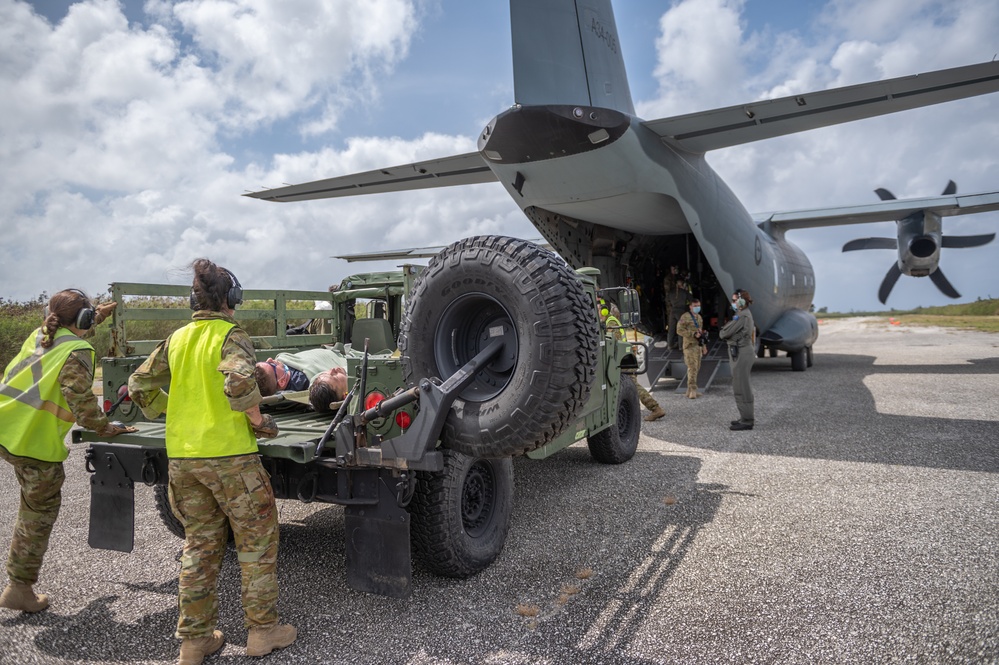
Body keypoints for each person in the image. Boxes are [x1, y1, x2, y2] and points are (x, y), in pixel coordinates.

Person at [127, 259, 296, 665]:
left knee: (200, 547)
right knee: (256, 543)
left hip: (185, 459)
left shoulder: (177, 338)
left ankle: (195, 642)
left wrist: (172, 413)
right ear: (231, 299)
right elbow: (238, 379)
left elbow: (137, 385)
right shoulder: (230, 334)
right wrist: (259, 421)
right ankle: (261, 632)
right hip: (231, 459)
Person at [0, 290, 133, 613]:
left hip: (8, 428)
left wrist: (96, 316)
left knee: (30, 506)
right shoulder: (78, 350)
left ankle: (19, 582)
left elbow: (67, 334)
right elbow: (82, 403)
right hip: (34, 442)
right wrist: (107, 428)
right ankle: (19, 587)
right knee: (36, 515)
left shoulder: (41, 334)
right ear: (82, 321)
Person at [602, 304, 665, 422]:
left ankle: (655, 408)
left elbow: (612, 343)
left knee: (633, 386)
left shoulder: (611, 322)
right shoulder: (613, 321)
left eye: (600, 309)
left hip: (622, 360)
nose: (599, 311)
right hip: (624, 358)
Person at [719, 289, 755, 430]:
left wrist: (728, 335)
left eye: (734, 300)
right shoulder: (740, 315)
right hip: (739, 352)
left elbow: (724, 333)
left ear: (741, 301)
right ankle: (744, 416)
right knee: (738, 385)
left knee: (742, 386)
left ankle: (747, 420)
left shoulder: (742, 316)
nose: (732, 303)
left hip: (742, 352)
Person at [676, 298, 709, 399]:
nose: (697, 308)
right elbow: (679, 330)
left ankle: (689, 389)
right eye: (695, 306)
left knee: (697, 368)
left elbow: (700, 332)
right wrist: (692, 334)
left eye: (698, 306)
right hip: (689, 346)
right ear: (690, 307)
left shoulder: (699, 317)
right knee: (692, 368)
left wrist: (704, 346)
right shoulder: (685, 317)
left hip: (698, 346)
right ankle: (693, 389)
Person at [665, 271, 690, 350]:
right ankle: (681, 345)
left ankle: (670, 345)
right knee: (681, 328)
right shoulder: (684, 292)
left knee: (671, 329)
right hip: (681, 312)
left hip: (672, 312)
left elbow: (667, 300)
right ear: (682, 284)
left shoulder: (671, 292)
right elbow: (691, 300)